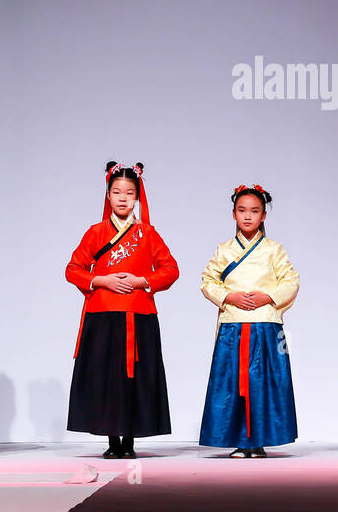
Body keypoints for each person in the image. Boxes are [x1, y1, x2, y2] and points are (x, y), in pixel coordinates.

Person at [65, 161, 179, 459]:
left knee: (134, 378)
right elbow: (73, 269)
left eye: (129, 192)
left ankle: (129, 440)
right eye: (116, 192)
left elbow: (170, 270)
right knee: (106, 377)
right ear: (108, 195)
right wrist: (101, 279)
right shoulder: (96, 232)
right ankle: (112, 439)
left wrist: (142, 280)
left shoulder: (148, 234)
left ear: (137, 198)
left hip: (138, 316)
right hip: (102, 316)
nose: (123, 198)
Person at [198, 184, 299, 457]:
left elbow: (291, 281)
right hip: (233, 324)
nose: (247, 216)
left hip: (266, 324)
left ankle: (260, 441)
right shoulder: (224, 249)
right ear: (233, 213)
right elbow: (208, 281)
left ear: (264, 215)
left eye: (254, 211)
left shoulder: (274, 250)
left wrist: (268, 297)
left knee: (263, 382)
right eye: (242, 210)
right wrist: (230, 296)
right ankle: (241, 441)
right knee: (233, 382)